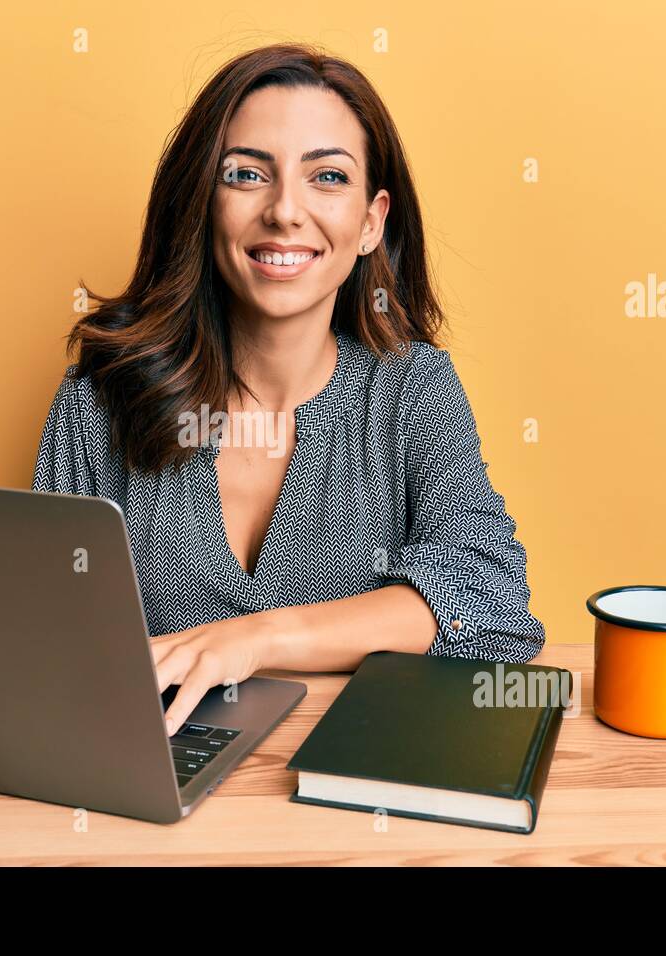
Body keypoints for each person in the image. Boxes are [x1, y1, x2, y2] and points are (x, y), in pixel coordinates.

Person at [33, 43, 544, 735]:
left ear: (370, 222)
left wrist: (258, 639)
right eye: (247, 175)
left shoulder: (414, 391)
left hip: (345, 796)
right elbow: (44, 643)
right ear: (203, 205)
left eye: (327, 177)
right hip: (152, 789)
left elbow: (492, 607)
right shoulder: (99, 401)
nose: (285, 212)